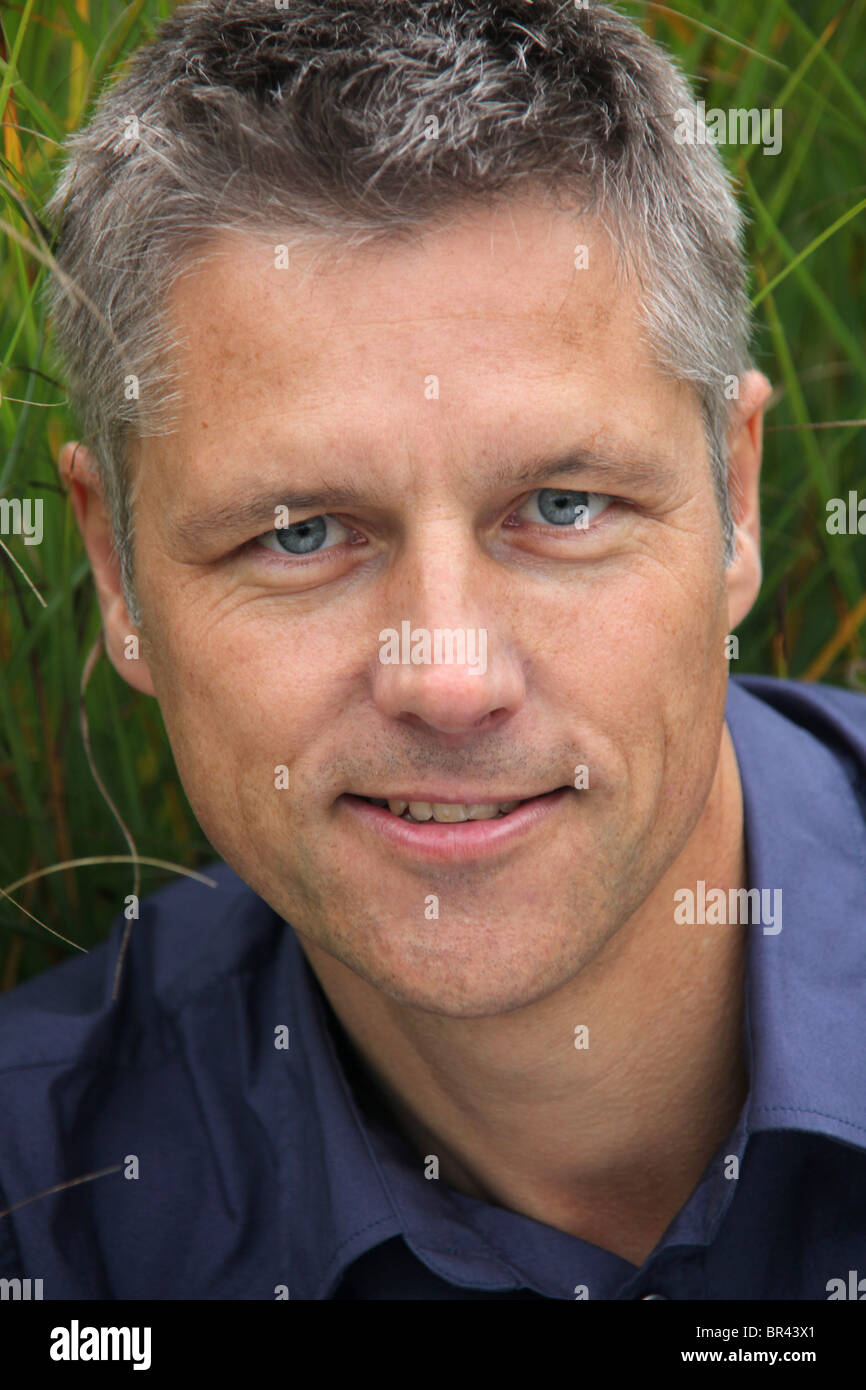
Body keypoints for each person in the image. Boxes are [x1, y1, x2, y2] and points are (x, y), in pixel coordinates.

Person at [1, 0, 864, 1301]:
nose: (449, 677)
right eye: (299, 534)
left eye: (561, 507)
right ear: (116, 572)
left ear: (733, 501)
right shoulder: (38, 1207)